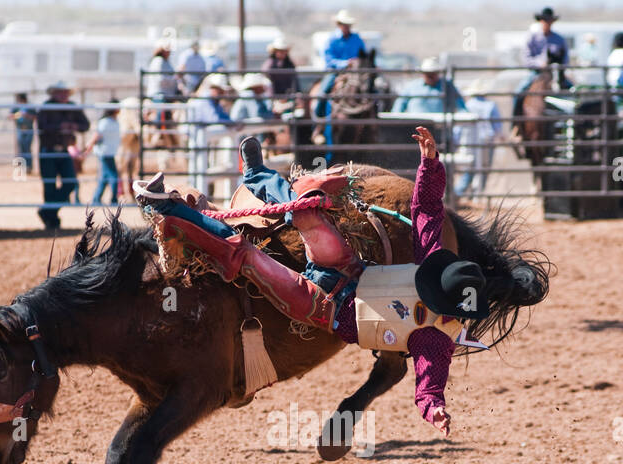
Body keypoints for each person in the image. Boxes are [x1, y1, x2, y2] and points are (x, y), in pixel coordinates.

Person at [134, 129, 496, 434]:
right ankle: (258, 175)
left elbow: (429, 382)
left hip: (324, 307)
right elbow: (428, 208)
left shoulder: (435, 338)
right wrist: (430, 163)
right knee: (304, 210)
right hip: (345, 270)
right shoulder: (432, 256)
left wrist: (433, 409)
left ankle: (171, 209)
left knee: (247, 258)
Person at [35, 81, 89, 231]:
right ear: (53, 93)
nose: (64, 95)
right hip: (49, 150)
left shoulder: (72, 106)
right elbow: (41, 126)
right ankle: (52, 220)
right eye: (60, 92)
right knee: (49, 186)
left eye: (66, 92)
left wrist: (74, 126)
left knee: (70, 182)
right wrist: (60, 127)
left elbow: (85, 124)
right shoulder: (46, 107)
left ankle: (48, 212)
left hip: (64, 150)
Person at [184, 73, 236, 196]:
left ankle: (200, 196)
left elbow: (221, 117)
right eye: (220, 90)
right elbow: (214, 118)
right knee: (197, 167)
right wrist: (232, 123)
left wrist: (231, 122)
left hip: (202, 139)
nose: (223, 94)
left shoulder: (212, 101)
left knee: (202, 167)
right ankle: (195, 195)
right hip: (195, 138)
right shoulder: (206, 100)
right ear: (213, 89)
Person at [456, 81, 502, 197]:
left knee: (469, 167)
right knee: (484, 167)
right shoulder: (491, 105)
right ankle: (478, 193)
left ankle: (461, 193)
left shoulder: (468, 105)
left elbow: (459, 126)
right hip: (487, 139)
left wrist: (456, 139)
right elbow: (497, 125)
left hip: (469, 140)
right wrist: (500, 135)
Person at [394, 58, 465, 114]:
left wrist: (465, 115)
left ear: (437, 73)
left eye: (433, 73)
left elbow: (460, 105)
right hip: (415, 126)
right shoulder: (412, 86)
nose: (430, 76)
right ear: (422, 73)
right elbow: (399, 105)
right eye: (427, 73)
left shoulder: (447, 85)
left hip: (439, 127)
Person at [525, 8, 570, 89]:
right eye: (545, 20)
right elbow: (527, 58)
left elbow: (565, 58)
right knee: (520, 90)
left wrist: (559, 67)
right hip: (537, 72)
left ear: (552, 21)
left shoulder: (559, 39)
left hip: (556, 73)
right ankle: (516, 101)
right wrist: (539, 64)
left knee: (572, 89)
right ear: (540, 21)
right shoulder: (532, 38)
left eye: (549, 20)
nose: (547, 22)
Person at [88, 104, 121, 206]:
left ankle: (96, 198)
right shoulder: (105, 122)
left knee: (104, 177)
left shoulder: (111, 122)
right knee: (114, 176)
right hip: (105, 152)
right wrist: (89, 146)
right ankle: (114, 199)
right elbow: (97, 135)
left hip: (108, 152)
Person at [11, 92, 36, 172]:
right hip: (20, 129)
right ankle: (21, 167)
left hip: (29, 129)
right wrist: (17, 115)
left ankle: (29, 167)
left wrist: (27, 115)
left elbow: (35, 116)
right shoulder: (16, 107)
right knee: (20, 148)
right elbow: (10, 116)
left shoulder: (30, 107)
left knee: (27, 148)